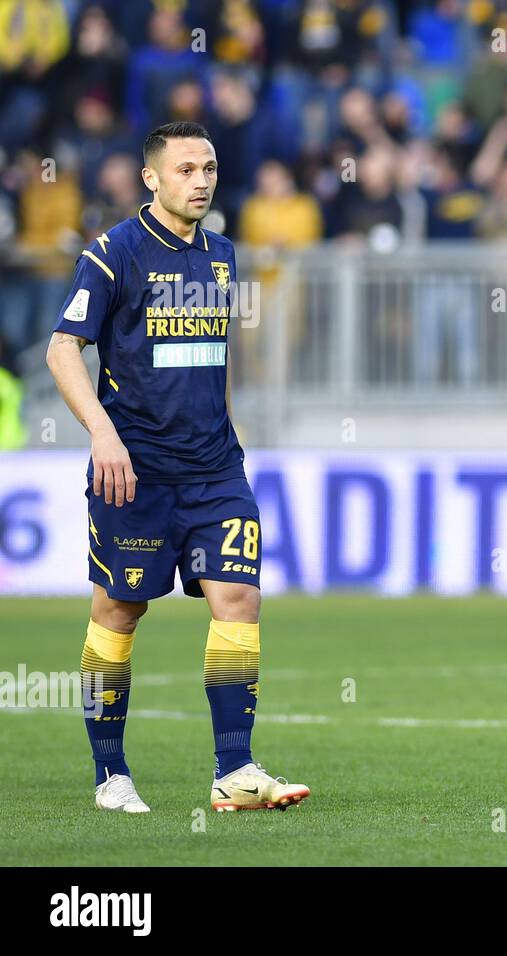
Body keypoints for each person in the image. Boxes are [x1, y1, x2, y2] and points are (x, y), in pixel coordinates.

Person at [45, 121, 310, 814]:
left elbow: (210, 362)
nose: (201, 181)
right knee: (120, 609)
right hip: (133, 470)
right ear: (152, 179)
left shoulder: (222, 256)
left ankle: (235, 769)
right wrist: (102, 434)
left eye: (210, 168)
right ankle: (111, 774)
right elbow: (63, 351)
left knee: (238, 601)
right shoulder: (113, 255)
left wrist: (227, 424)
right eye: (186, 169)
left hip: (216, 470)